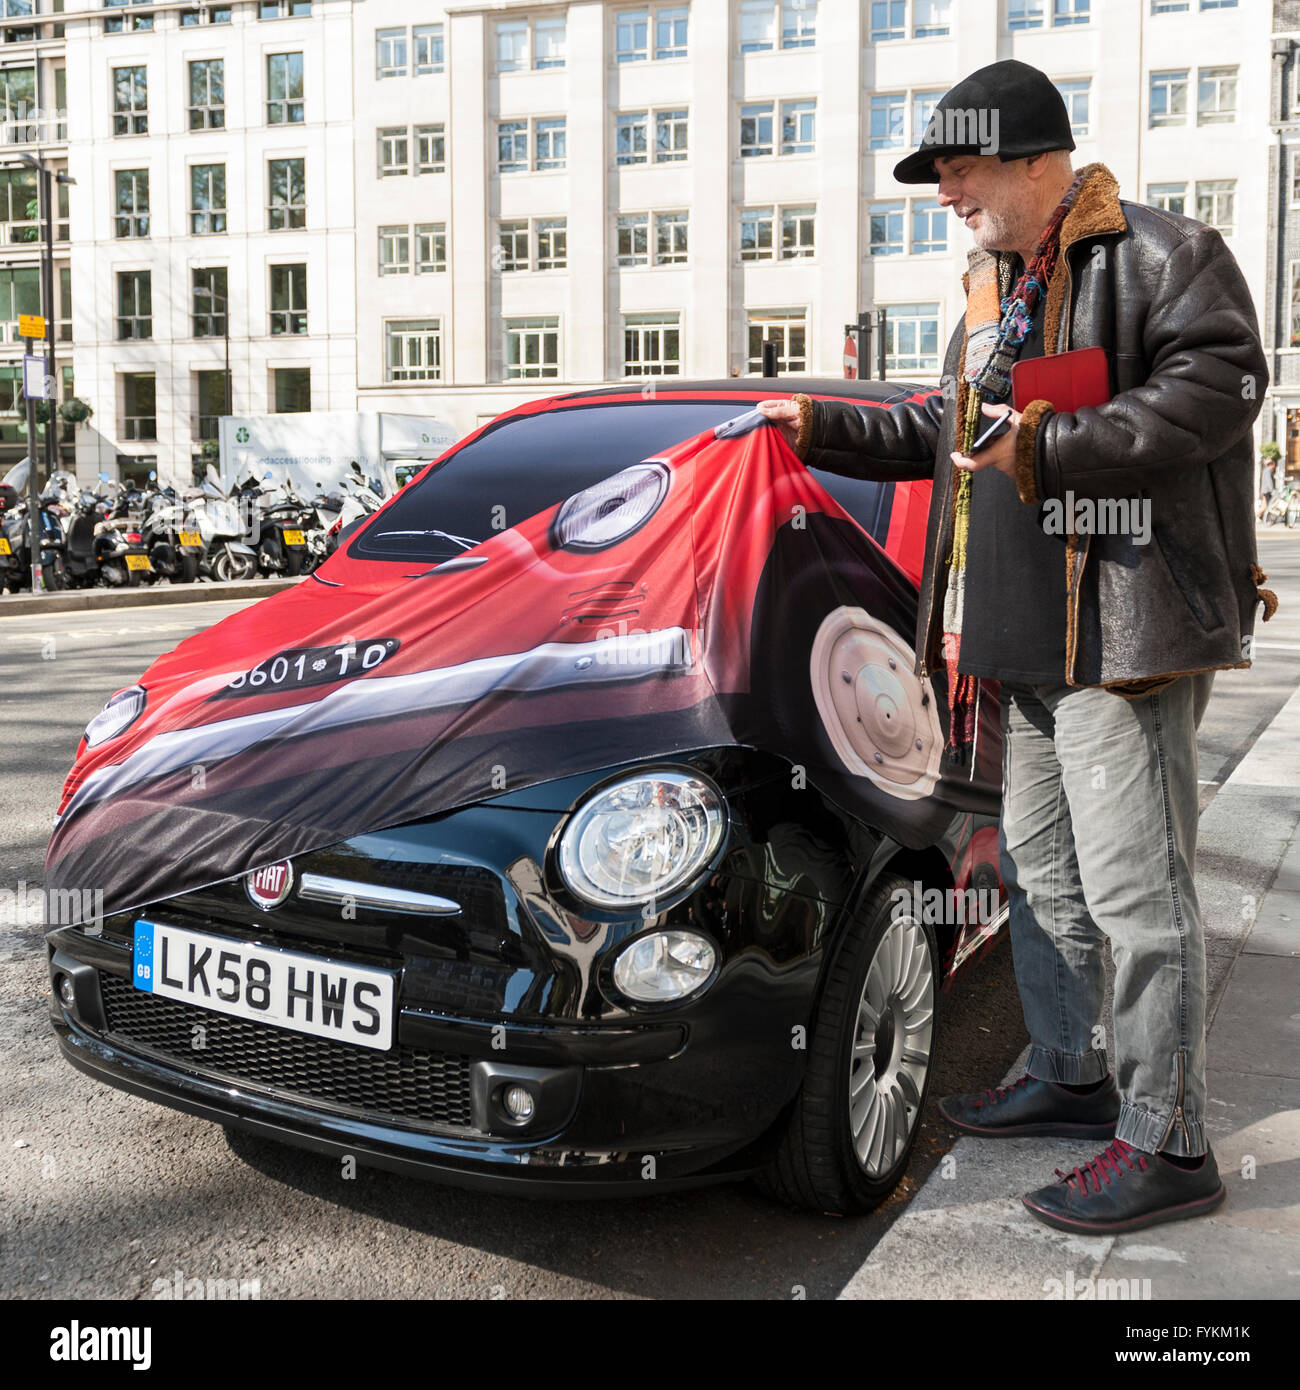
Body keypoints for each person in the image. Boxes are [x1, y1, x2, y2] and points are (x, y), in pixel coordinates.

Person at [758, 58, 1277, 1234]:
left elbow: (1219, 386)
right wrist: (815, 422)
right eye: (936, 175)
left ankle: (1168, 1141)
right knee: (1042, 875)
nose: (944, 191)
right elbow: (936, 434)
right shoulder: (987, 294)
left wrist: (1054, 447)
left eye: (960, 168)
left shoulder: (1160, 256)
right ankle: (1069, 1067)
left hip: (1121, 640)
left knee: (1140, 896)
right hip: (1020, 644)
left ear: (1035, 159)